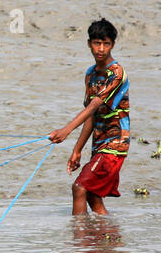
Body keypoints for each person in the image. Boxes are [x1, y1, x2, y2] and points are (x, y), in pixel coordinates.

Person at [47, 18, 129, 215]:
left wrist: (66, 130)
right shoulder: (91, 74)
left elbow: (94, 105)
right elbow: (90, 117)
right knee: (92, 195)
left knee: (79, 188)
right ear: (89, 44)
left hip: (115, 143)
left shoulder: (117, 73)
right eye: (96, 43)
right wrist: (77, 150)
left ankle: (80, 243)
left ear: (112, 45)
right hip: (99, 143)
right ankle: (107, 238)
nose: (101, 49)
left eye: (106, 44)